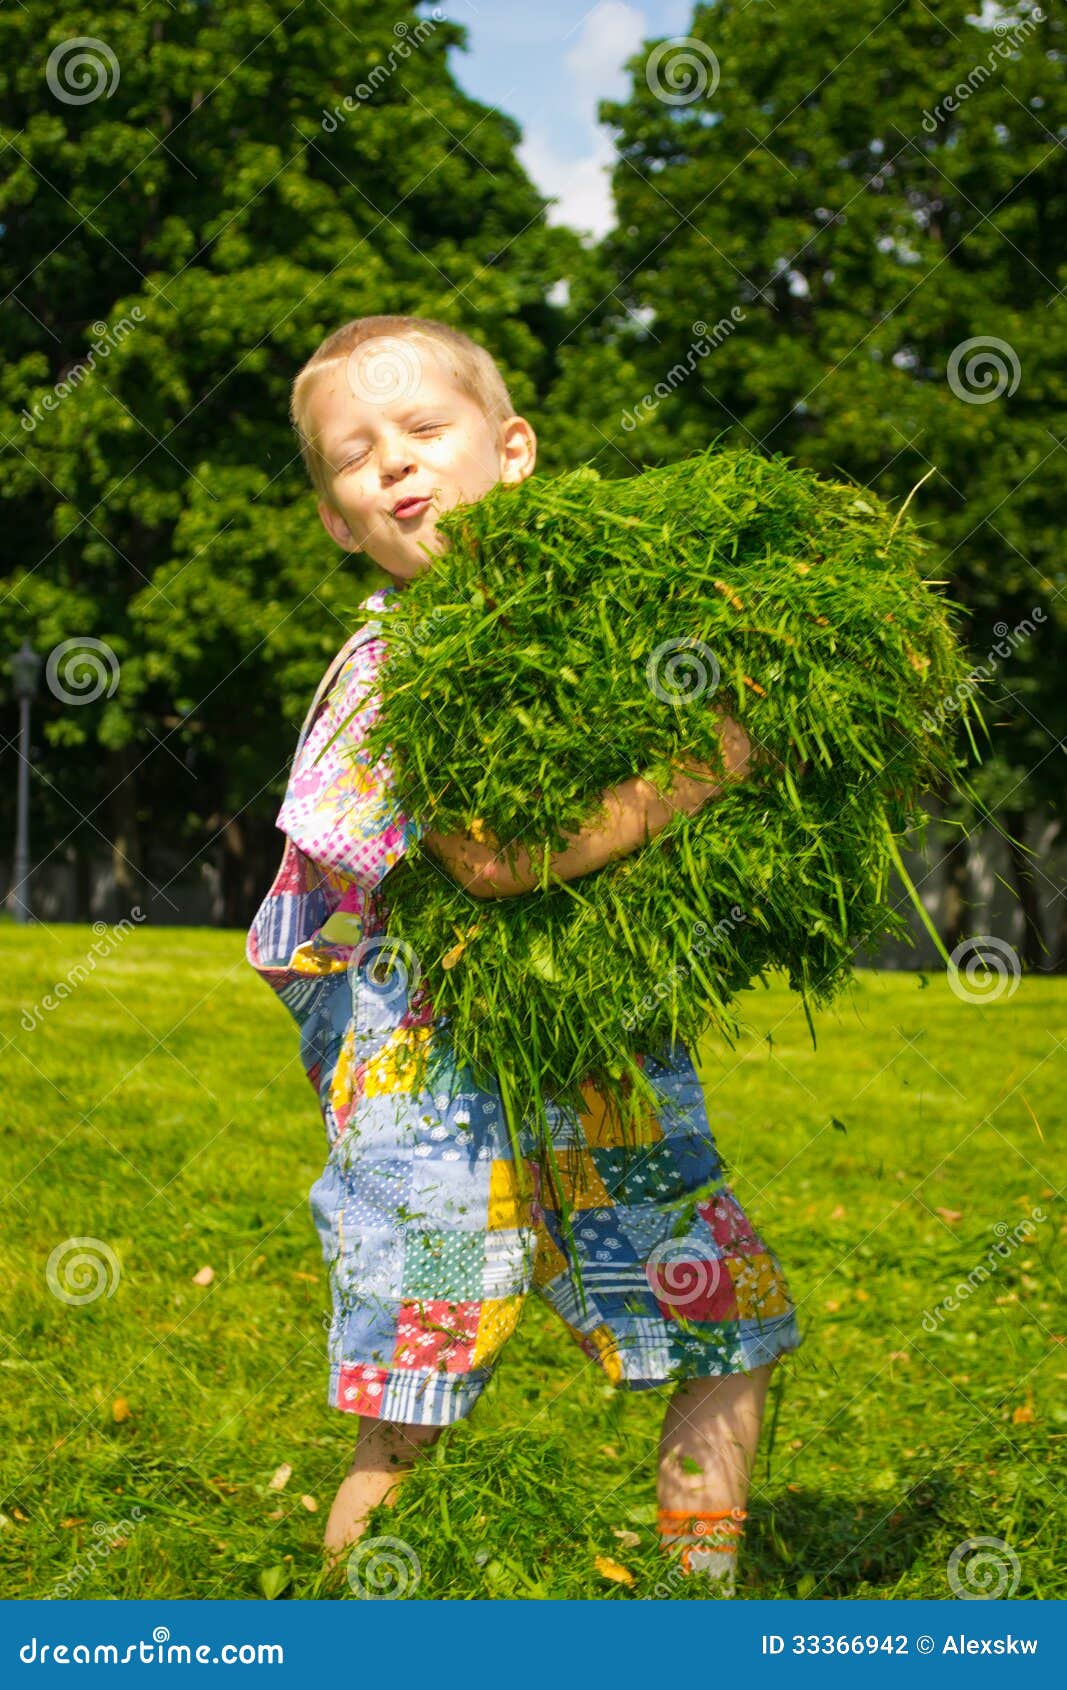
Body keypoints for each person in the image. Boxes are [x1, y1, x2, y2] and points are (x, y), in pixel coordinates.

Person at [246, 314, 800, 1593]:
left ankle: (693, 1595)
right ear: (337, 519)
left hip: (593, 1054)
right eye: (354, 454)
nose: (392, 462)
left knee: (723, 1321)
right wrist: (719, 758)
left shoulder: (590, 640)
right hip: (429, 1084)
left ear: (512, 450)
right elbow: (492, 859)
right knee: (417, 1382)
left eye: (424, 431)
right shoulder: (395, 670)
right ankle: (348, 1618)